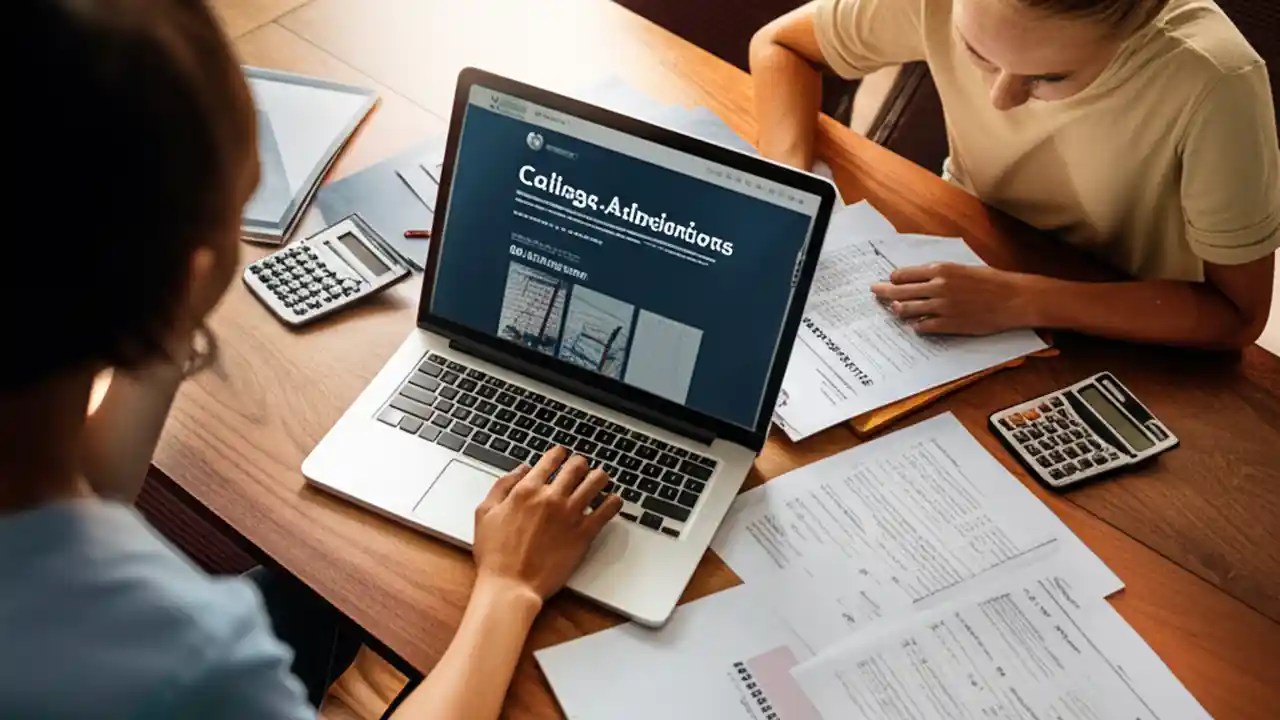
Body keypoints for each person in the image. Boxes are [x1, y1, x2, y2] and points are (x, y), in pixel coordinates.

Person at [0, 2, 621, 719]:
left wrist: (163, 317)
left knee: (316, 593)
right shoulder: (189, 660)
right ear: (191, 270)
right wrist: (508, 588)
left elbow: (78, 491)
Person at [751, 0, 1278, 348]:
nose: (1002, 100)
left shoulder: (1216, 82)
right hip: (967, 250)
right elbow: (781, 45)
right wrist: (789, 188)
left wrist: (1021, 299)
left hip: (1126, 324)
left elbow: (1238, 314)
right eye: (977, 53)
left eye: (1049, 77)